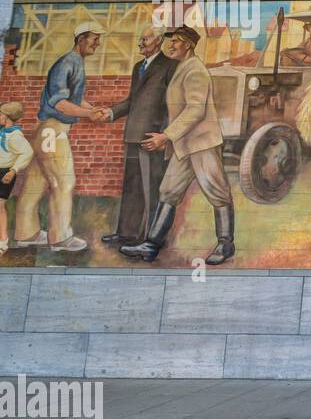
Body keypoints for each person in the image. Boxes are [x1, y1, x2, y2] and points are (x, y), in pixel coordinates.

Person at [121, 26, 235, 265]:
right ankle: (151, 245)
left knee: (217, 191)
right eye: (170, 42)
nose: (170, 46)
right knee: (168, 191)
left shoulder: (195, 71)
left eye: (176, 42)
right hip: (185, 144)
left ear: (189, 45)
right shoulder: (181, 68)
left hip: (202, 143)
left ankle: (226, 244)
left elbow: (195, 109)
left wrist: (166, 136)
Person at [13, 21, 107, 252]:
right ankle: (60, 238)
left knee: (36, 183)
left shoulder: (73, 63)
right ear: (82, 39)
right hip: (53, 129)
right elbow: (60, 103)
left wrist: (92, 109)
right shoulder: (68, 62)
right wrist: (88, 113)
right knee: (64, 181)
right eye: (94, 39)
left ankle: (26, 233)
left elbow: (72, 99)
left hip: (45, 129)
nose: (97, 43)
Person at [101, 30, 178, 246]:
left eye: (144, 39)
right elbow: (133, 100)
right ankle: (127, 233)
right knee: (132, 187)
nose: (140, 43)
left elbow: (174, 105)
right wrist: (111, 112)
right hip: (133, 135)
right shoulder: (139, 67)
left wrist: (164, 136)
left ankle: (152, 239)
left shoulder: (171, 67)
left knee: (153, 189)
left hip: (152, 138)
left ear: (158, 41)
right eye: (141, 39)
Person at [0, 102, 34, 256]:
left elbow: (27, 153)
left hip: (5, 174)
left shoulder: (14, 136)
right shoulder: (2, 131)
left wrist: (13, 171)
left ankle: (3, 242)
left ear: (7, 118)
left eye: (0, 115)